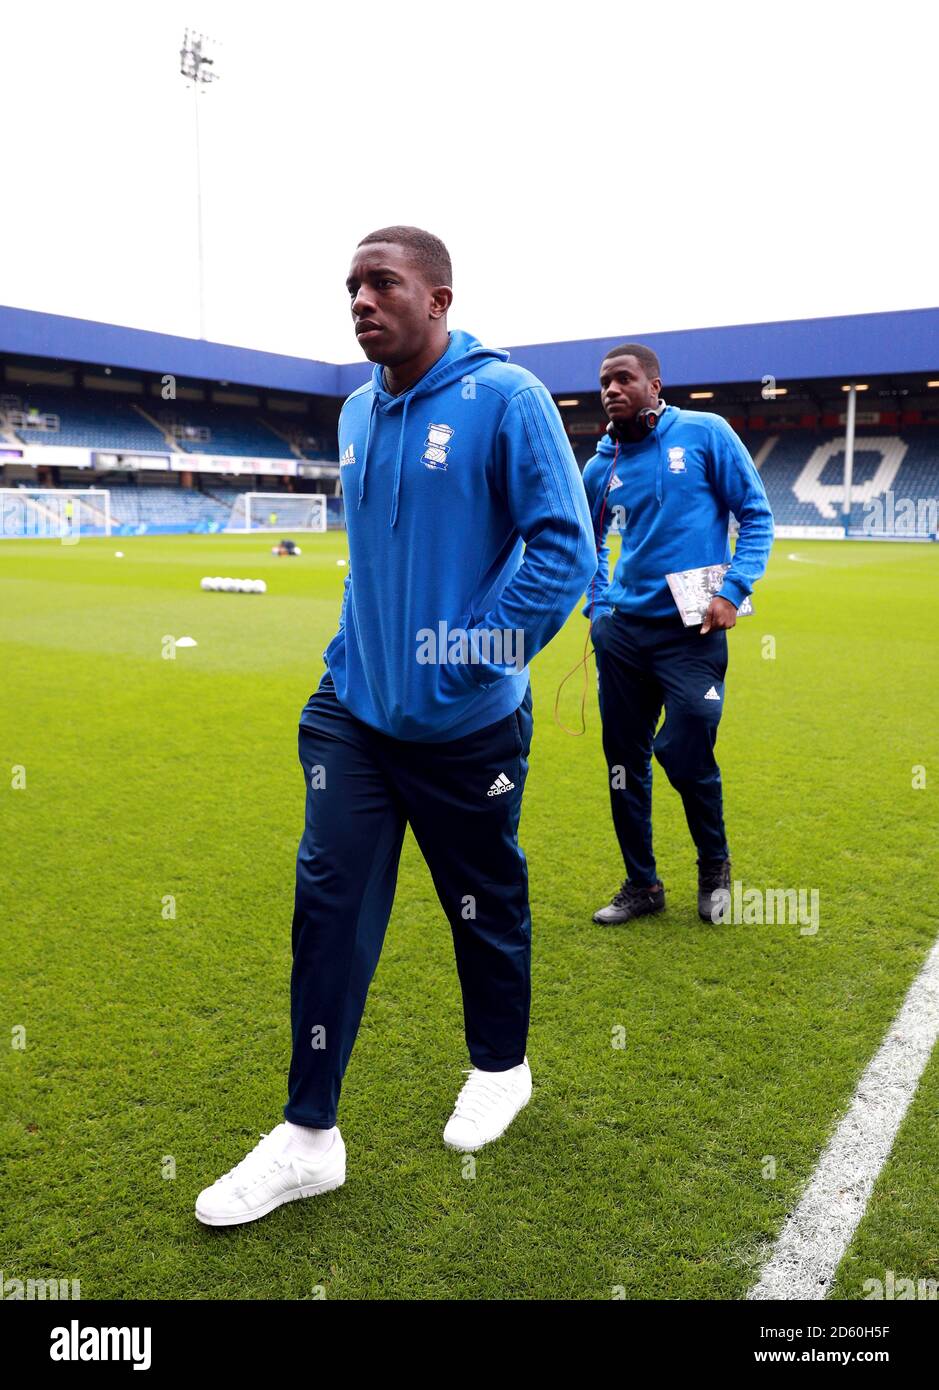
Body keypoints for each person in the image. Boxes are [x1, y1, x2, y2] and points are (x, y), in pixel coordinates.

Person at [196, 225, 595, 1226]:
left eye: (384, 283)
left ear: (440, 298)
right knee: (328, 906)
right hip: (356, 719)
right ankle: (308, 1135)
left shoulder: (508, 399)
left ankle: (500, 1067)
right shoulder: (354, 413)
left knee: (482, 903)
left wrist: (469, 659)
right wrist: (349, 658)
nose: (362, 301)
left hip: (467, 730)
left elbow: (563, 552)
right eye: (351, 287)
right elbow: (374, 560)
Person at [584, 344, 773, 927]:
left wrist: (732, 590)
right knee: (623, 762)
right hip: (623, 634)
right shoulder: (598, 467)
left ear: (655, 384)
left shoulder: (705, 433)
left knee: (689, 739)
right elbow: (587, 544)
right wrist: (598, 608)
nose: (612, 389)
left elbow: (757, 514)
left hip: (692, 631)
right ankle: (642, 885)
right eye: (605, 382)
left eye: (624, 379)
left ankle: (713, 864)